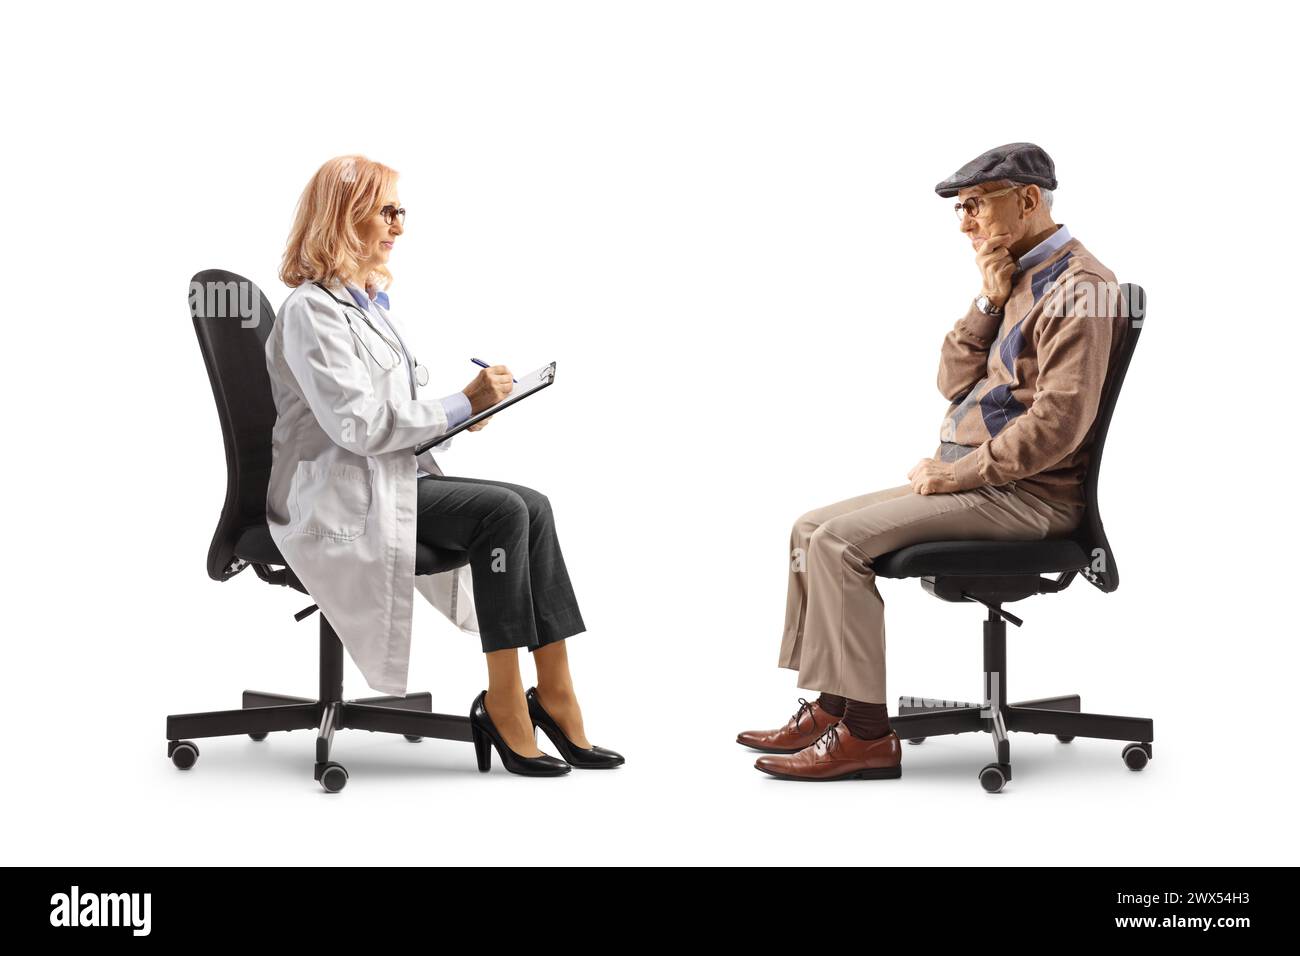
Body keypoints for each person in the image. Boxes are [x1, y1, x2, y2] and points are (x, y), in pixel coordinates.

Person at [737, 143, 1127, 782]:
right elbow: (950, 379)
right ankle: (833, 706)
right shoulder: (1014, 276)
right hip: (981, 484)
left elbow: (1058, 427)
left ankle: (865, 737)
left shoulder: (1082, 290)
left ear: (1027, 200)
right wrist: (987, 301)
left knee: (836, 545)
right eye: (961, 209)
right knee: (809, 527)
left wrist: (958, 474)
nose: (965, 221)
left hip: (1027, 498)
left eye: (976, 204)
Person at [265, 155, 623, 776]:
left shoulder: (367, 309)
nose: (400, 225)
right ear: (346, 218)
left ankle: (556, 695)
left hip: (383, 479)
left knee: (532, 504)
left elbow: (390, 414)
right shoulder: (310, 312)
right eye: (388, 211)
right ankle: (506, 703)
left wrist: (463, 413)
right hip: (334, 496)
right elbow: (357, 425)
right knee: (504, 512)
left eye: (401, 211)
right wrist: (460, 401)